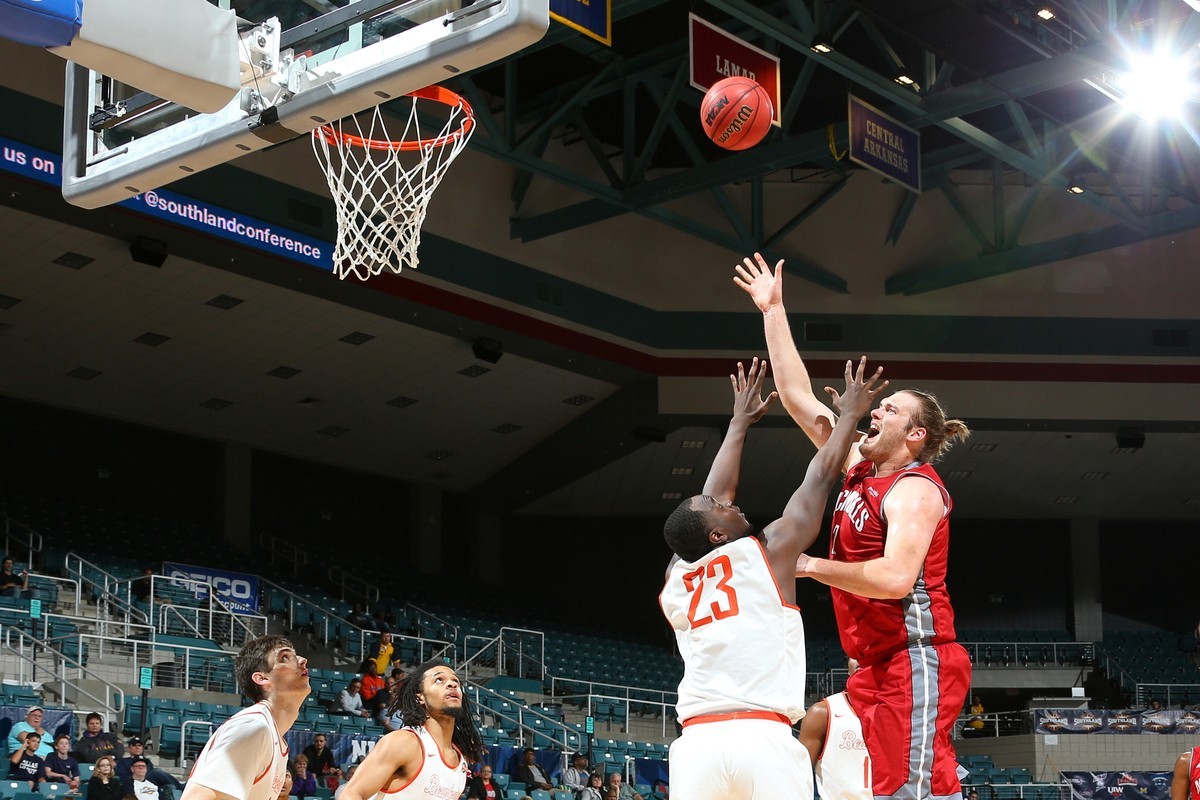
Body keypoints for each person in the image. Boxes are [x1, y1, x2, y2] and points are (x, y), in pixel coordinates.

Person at [736, 253, 972, 800]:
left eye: (890, 410)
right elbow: (798, 398)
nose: (876, 412)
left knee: (908, 791)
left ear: (915, 436)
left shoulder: (915, 491)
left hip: (915, 656)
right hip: (874, 664)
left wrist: (810, 565)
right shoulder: (857, 466)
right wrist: (773, 309)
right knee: (906, 787)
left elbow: (894, 579)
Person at [660, 357, 884, 800]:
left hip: (695, 744)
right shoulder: (767, 552)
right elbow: (819, 478)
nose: (731, 504)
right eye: (724, 510)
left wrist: (739, 422)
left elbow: (709, 500)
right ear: (717, 534)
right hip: (761, 736)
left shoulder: (677, 574)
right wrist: (850, 416)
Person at [180, 635, 311, 800]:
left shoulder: (273, 735)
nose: (302, 660)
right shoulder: (253, 726)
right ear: (261, 678)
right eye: (285, 657)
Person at [336, 659, 483, 800]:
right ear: (420, 697)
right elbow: (350, 795)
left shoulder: (460, 759)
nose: (452, 684)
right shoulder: (405, 742)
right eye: (439, 680)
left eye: (456, 681)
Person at [798, 659, 870, 800]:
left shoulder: (901, 712)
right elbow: (798, 776)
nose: (860, 659)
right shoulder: (822, 713)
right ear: (847, 668)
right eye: (853, 655)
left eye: (867, 652)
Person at [118, 737, 185, 792]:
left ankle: (179, 789)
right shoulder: (123, 761)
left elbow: (151, 775)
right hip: (134, 781)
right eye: (134, 745)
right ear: (129, 748)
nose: (137, 747)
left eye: (139, 745)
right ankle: (181, 788)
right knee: (157, 771)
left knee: (170, 786)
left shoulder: (147, 761)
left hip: (149, 782)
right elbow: (122, 776)